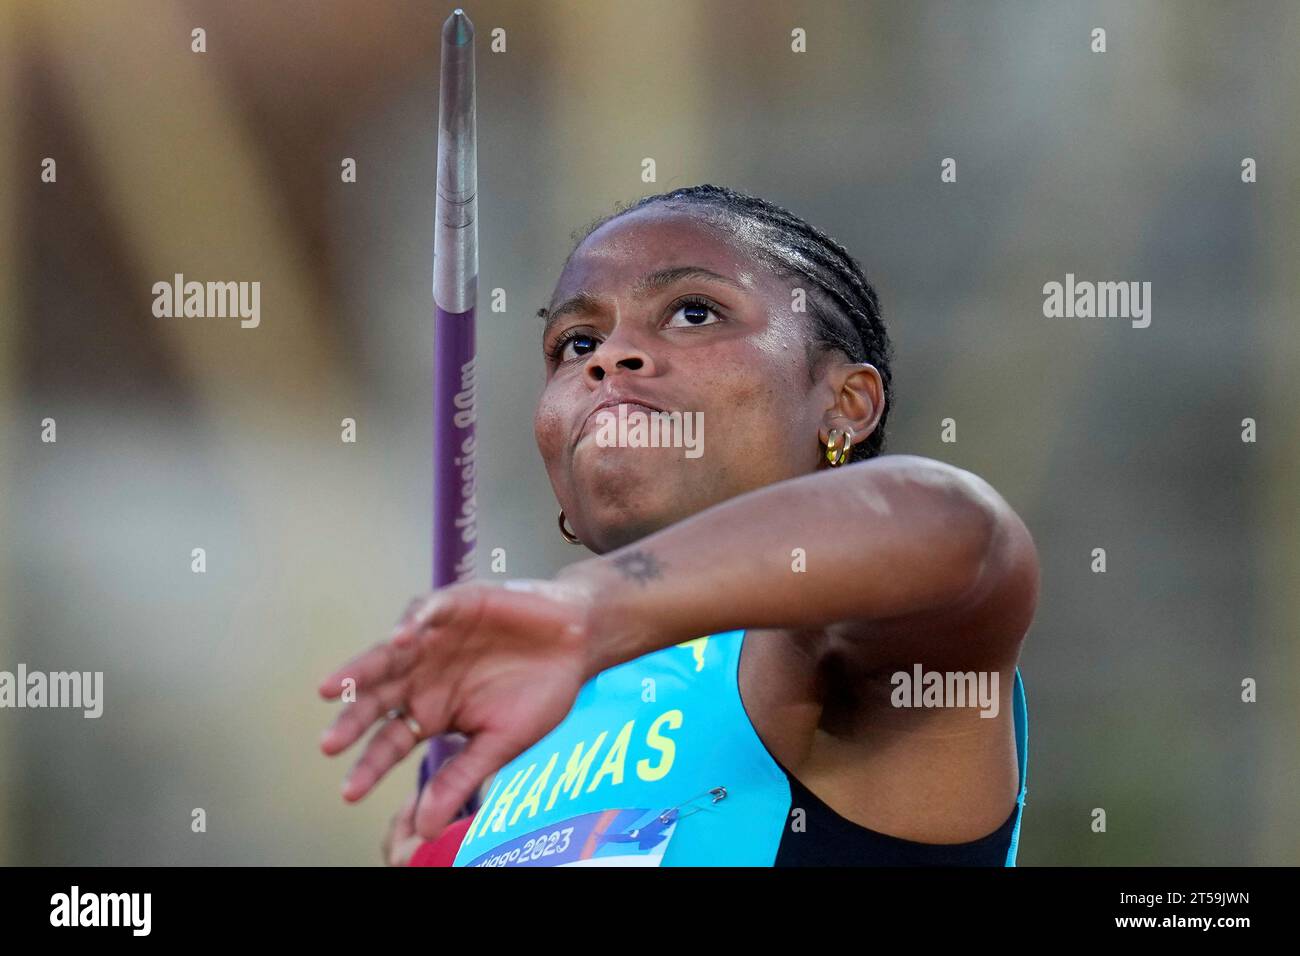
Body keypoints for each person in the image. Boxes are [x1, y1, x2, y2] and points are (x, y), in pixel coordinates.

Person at [319, 184, 1039, 866]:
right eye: (575, 343)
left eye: (694, 312)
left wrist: (593, 602)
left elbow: (959, 528)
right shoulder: (503, 757)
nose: (608, 357)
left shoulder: (822, 652)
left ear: (846, 403)